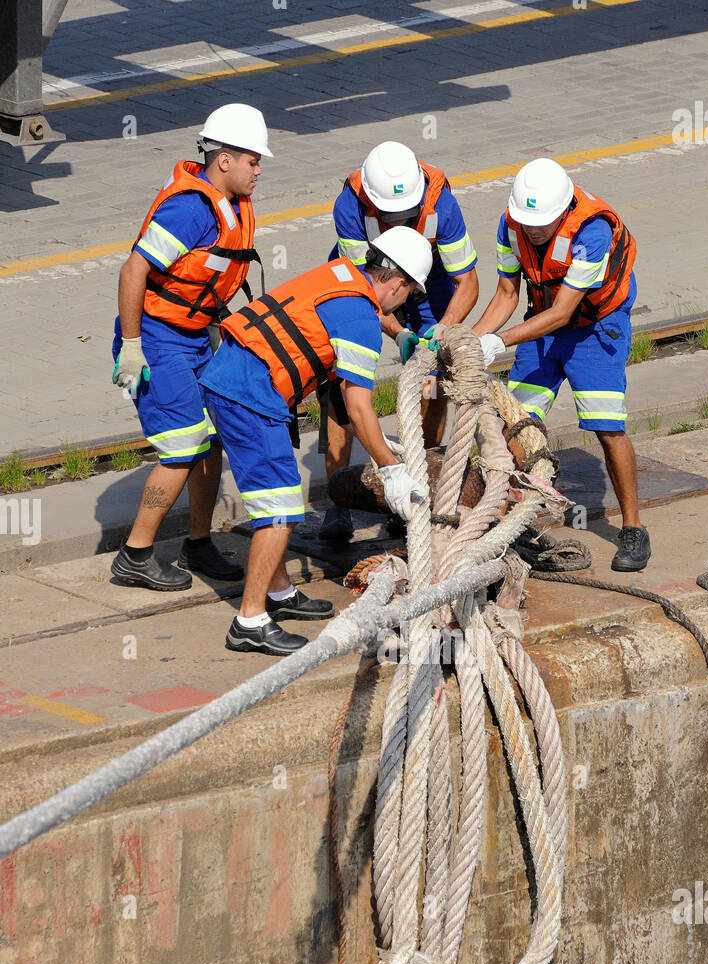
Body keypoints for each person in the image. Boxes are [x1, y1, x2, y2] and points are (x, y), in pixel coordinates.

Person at [198, 227, 433, 656]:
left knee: (278, 499)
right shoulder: (360, 320)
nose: (406, 302)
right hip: (251, 396)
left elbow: (362, 306)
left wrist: (396, 332)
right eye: (411, 294)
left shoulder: (341, 272)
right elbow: (358, 406)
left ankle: (279, 591)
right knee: (280, 509)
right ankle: (249, 621)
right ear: (398, 282)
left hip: (232, 376)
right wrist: (391, 468)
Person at [110, 104, 271, 591]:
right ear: (224, 160)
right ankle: (135, 554)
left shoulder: (228, 204)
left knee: (209, 441)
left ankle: (197, 544)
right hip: (159, 339)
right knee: (182, 447)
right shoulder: (190, 209)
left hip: (195, 333)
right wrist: (133, 346)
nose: (259, 170)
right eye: (253, 161)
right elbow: (133, 270)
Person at [472, 158, 651, 572]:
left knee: (607, 428)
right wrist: (475, 342)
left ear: (564, 210)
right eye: (526, 221)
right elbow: (505, 295)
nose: (533, 230)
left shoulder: (593, 231)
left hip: (594, 329)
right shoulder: (511, 226)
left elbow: (564, 313)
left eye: (542, 222)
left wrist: (500, 341)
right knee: (515, 426)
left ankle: (633, 528)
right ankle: (501, 527)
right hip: (542, 324)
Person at [319, 140, 478, 544]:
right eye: (390, 216)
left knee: (433, 379)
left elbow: (468, 281)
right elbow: (360, 292)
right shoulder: (350, 207)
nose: (400, 220)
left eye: (406, 213)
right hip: (371, 278)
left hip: (430, 280)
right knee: (340, 382)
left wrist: (439, 332)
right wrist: (400, 332)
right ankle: (338, 502)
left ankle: (416, 489)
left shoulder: (442, 204)